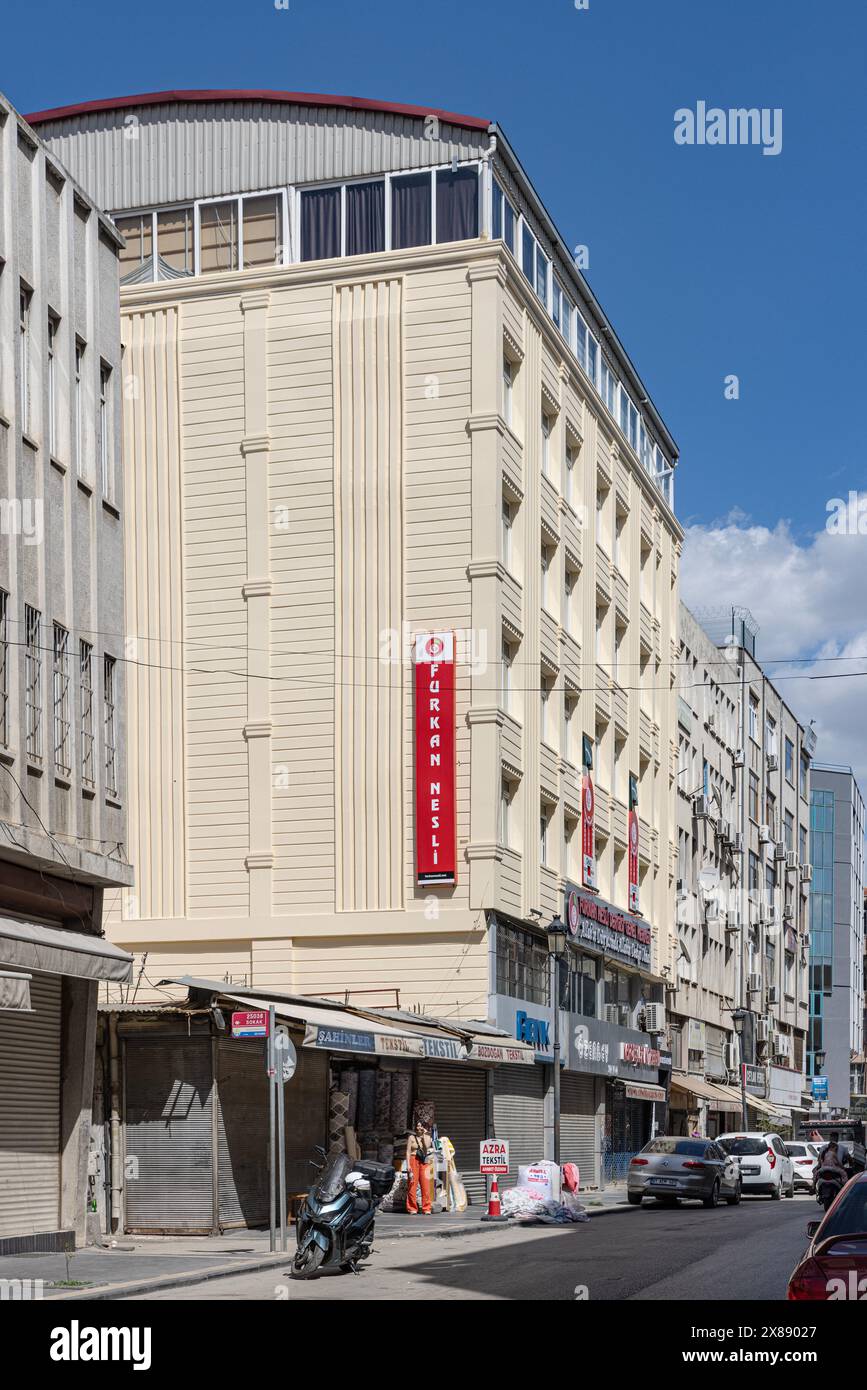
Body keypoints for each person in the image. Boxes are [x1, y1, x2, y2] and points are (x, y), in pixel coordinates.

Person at [405, 1121, 434, 1215]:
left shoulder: (427, 1137)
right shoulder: (411, 1137)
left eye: (420, 1125)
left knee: (425, 1185)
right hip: (413, 1160)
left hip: (424, 1161)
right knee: (412, 1184)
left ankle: (427, 1208)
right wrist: (408, 1165)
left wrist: (425, 1135)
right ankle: (412, 1208)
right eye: (417, 1125)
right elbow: (408, 1152)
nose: (419, 1127)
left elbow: (427, 1147)